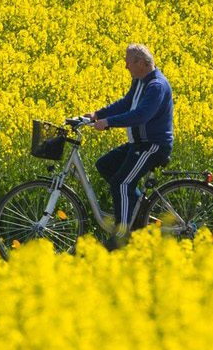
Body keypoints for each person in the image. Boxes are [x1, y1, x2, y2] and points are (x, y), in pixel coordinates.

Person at [71, 43, 173, 244]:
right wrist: (97, 115)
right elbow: (127, 103)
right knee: (104, 165)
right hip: (139, 144)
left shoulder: (156, 86)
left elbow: (141, 115)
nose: (126, 67)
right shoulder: (140, 80)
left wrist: (108, 122)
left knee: (122, 183)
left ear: (142, 63)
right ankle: (137, 214)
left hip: (152, 146)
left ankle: (122, 236)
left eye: (128, 63)